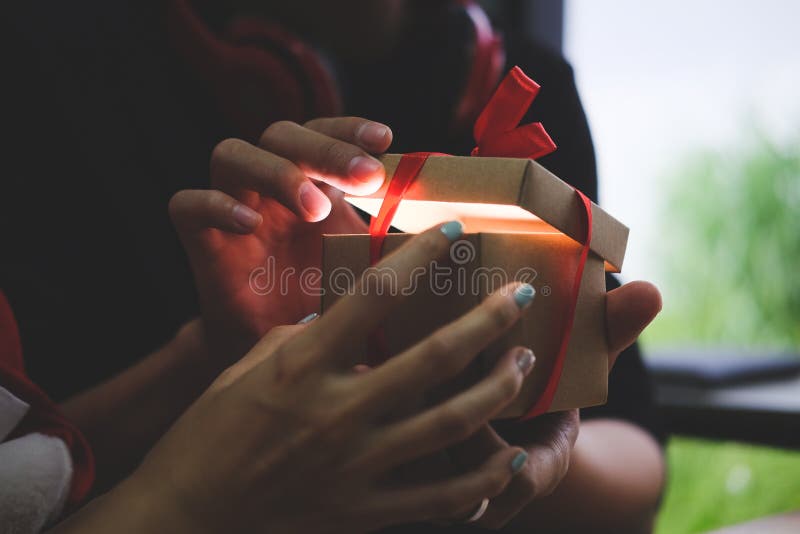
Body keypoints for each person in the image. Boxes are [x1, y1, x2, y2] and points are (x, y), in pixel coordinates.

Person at [2, 0, 665, 531]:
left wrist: (494, 444)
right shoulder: (52, 59)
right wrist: (216, 359)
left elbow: (638, 458)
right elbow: (25, 468)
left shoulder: (521, 89)